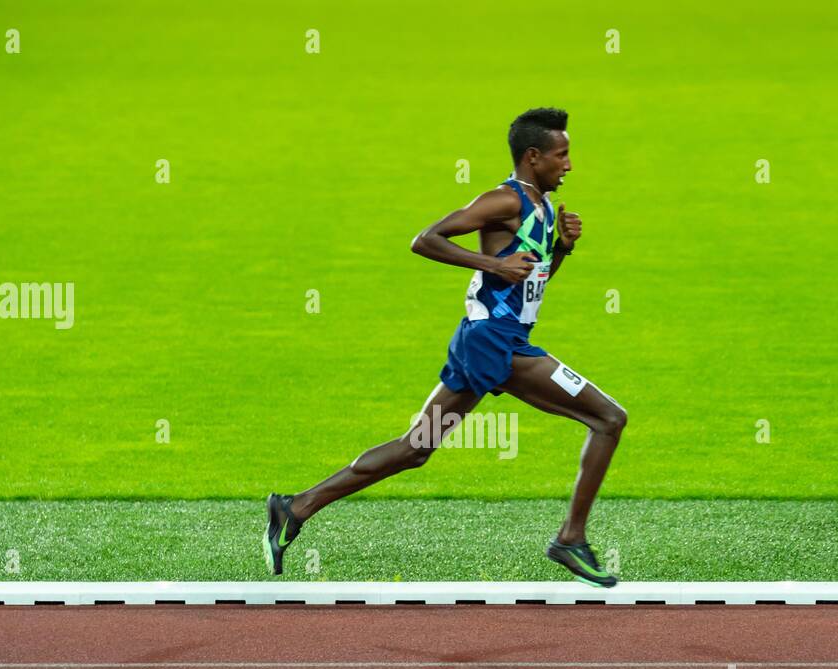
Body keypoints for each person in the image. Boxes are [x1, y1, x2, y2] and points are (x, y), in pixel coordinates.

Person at [265, 107, 626, 587]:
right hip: (494, 345)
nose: (570, 164)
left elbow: (529, 284)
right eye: (562, 154)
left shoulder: (539, 208)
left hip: (491, 339)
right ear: (533, 157)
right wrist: (491, 265)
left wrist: (561, 249)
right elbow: (425, 239)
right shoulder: (504, 200)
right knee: (608, 418)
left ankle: (296, 507)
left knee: (416, 448)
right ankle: (570, 538)